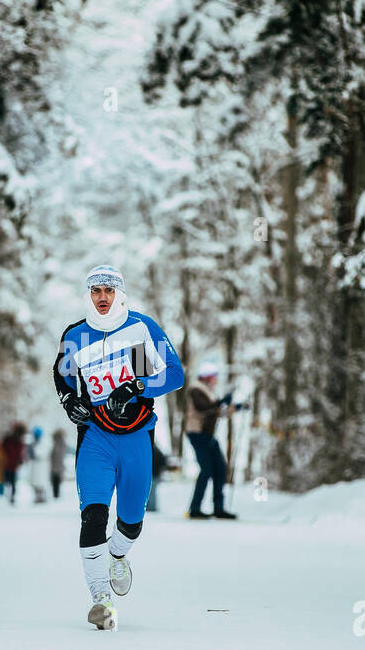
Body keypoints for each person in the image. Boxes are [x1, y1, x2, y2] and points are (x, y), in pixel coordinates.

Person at [53, 264, 184, 630]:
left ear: (120, 294)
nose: (103, 298)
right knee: (93, 516)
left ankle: (117, 555)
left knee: (130, 522)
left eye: (109, 291)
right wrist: (68, 400)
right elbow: (61, 374)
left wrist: (136, 387)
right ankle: (100, 600)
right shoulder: (76, 335)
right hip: (96, 438)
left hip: (137, 437)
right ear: (88, 296)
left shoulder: (140, 328)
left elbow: (174, 374)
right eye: (96, 291)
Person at [184, 361, 237, 520]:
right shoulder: (196, 389)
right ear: (207, 377)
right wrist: (221, 403)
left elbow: (216, 412)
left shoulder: (209, 392)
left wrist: (235, 408)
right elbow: (203, 408)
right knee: (206, 469)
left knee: (220, 469)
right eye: (214, 377)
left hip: (208, 435)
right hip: (197, 433)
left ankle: (219, 508)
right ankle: (195, 509)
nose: (216, 380)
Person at [1, 423, 26, 504]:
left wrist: (20, 460)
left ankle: (9, 498)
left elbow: (20, 454)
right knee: (10, 482)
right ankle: (9, 497)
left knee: (9, 482)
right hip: (9, 465)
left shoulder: (12, 440)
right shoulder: (12, 440)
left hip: (10, 465)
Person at [146, 438, 167, 512]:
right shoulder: (157, 450)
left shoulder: (150, 450)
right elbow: (164, 462)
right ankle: (150, 506)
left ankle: (151, 507)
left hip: (152, 474)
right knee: (152, 492)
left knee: (150, 492)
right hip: (155, 474)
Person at [27, 426, 48, 504]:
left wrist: (34, 454)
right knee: (35, 483)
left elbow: (42, 454)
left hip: (41, 466)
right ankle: (37, 497)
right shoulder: (32, 444)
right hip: (35, 466)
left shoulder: (43, 443)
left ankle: (42, 497)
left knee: (41, 483)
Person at [49, 428, 67, 499]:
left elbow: (55, 453)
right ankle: (56, 494)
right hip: (58, 465)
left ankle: (56, 495)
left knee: (56, 481)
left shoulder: (57, 443)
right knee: (56, 481)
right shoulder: (62, 443)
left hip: (56, 465)